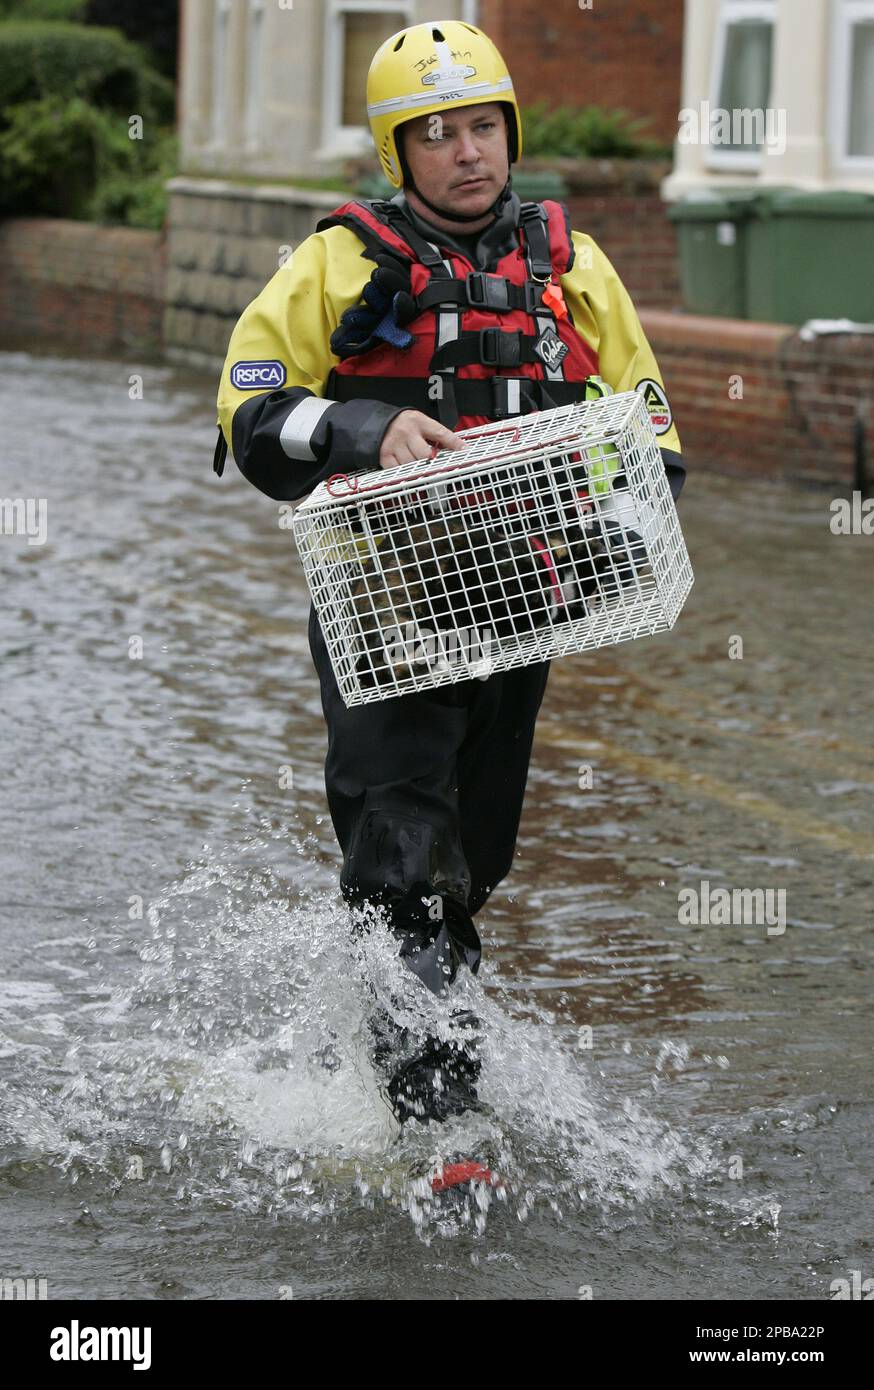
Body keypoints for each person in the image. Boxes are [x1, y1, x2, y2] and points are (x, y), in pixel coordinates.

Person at [214, 19, 686, 1125]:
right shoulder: (336, 261)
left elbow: (651, 433)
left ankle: (381, 1071)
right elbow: (247, 407)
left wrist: (613, 529)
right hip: (383, 605)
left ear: (509, 134)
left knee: (469, 864)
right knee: (403, 855)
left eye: (483, 128)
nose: (468, 153)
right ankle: (442, 1123)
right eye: (437, 135)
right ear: (397, 154)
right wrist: (366, 424)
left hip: (521, 602)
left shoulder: (572, 262)